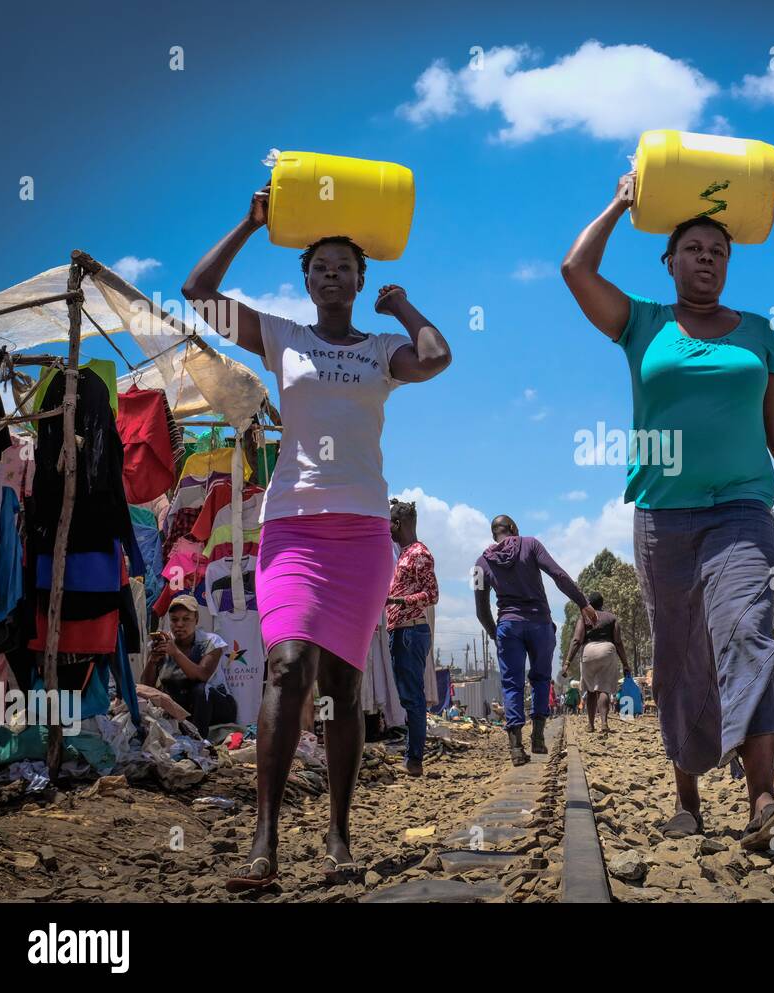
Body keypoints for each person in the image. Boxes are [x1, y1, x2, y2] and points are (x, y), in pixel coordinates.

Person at [561, 171, 774, 851]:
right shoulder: (643, 323)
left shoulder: (757, 332)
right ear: (670, 262)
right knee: (680, 653)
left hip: (743, 510)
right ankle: (687, 797)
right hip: (664, 516)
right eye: (693, 247)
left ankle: (762, 800)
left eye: (719, 249)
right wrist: (620, 203)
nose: (708, 258)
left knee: (748, 629)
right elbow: (576, 269)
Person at [182, 185, 452, 892]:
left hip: (362, 534)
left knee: (340, 682)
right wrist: (250, 221)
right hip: (293, 529)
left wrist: (403, 307)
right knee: (287, 664)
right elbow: (197, 291)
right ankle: (264, 840)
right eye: (319, 266)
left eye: (343, 267)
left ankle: (337, 831)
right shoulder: (283, 337)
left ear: (360, 280)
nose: (331, 275)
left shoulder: (385, 347)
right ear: (306, 280)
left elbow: (438, 356)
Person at [474, 515, 598, 765]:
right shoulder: (531, 544)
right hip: (540, 624)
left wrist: (494, 633)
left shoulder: (480, 563)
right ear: (514, 529)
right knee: (541, 679)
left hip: (508, 626)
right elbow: (558, 575)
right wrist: (582, 602)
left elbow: (481, 609)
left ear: (493, 535)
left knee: (512, 684)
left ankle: (517, 749)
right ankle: (539, 739)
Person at [386, 498, 439, 777]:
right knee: (409, 697)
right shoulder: (405, 552)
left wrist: (398, 600)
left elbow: (432, 595)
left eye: (391, 524)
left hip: (411, 630)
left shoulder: (419, 554)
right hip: (402, 630)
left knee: (413, 698)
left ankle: (414, 759)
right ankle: (412, 756)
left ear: (399, 524)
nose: (388, 530)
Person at [141, 594, 234, 736]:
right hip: (182, 705)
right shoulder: (163, 643)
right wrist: (153, 660)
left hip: (215, 706)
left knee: (200, 689)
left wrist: (176, 653)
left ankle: (199, 740)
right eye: (174, 620)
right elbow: (146, 686)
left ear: (196, 619)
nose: (179, 624)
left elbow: (201, 675)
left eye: (186, 619)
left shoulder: (212, 642)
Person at [563, 592, 631, 734]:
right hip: (607, 650)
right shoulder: (612, 618)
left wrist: (567, 662)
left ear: (589, 604)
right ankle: (604, 723)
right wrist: (625, 663)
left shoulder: (584, 616)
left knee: (590, 690)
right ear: (602, 603)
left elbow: (577, 640)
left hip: (588, 651)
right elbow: (618, 642)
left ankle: (590, 724)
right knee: (603, 688)